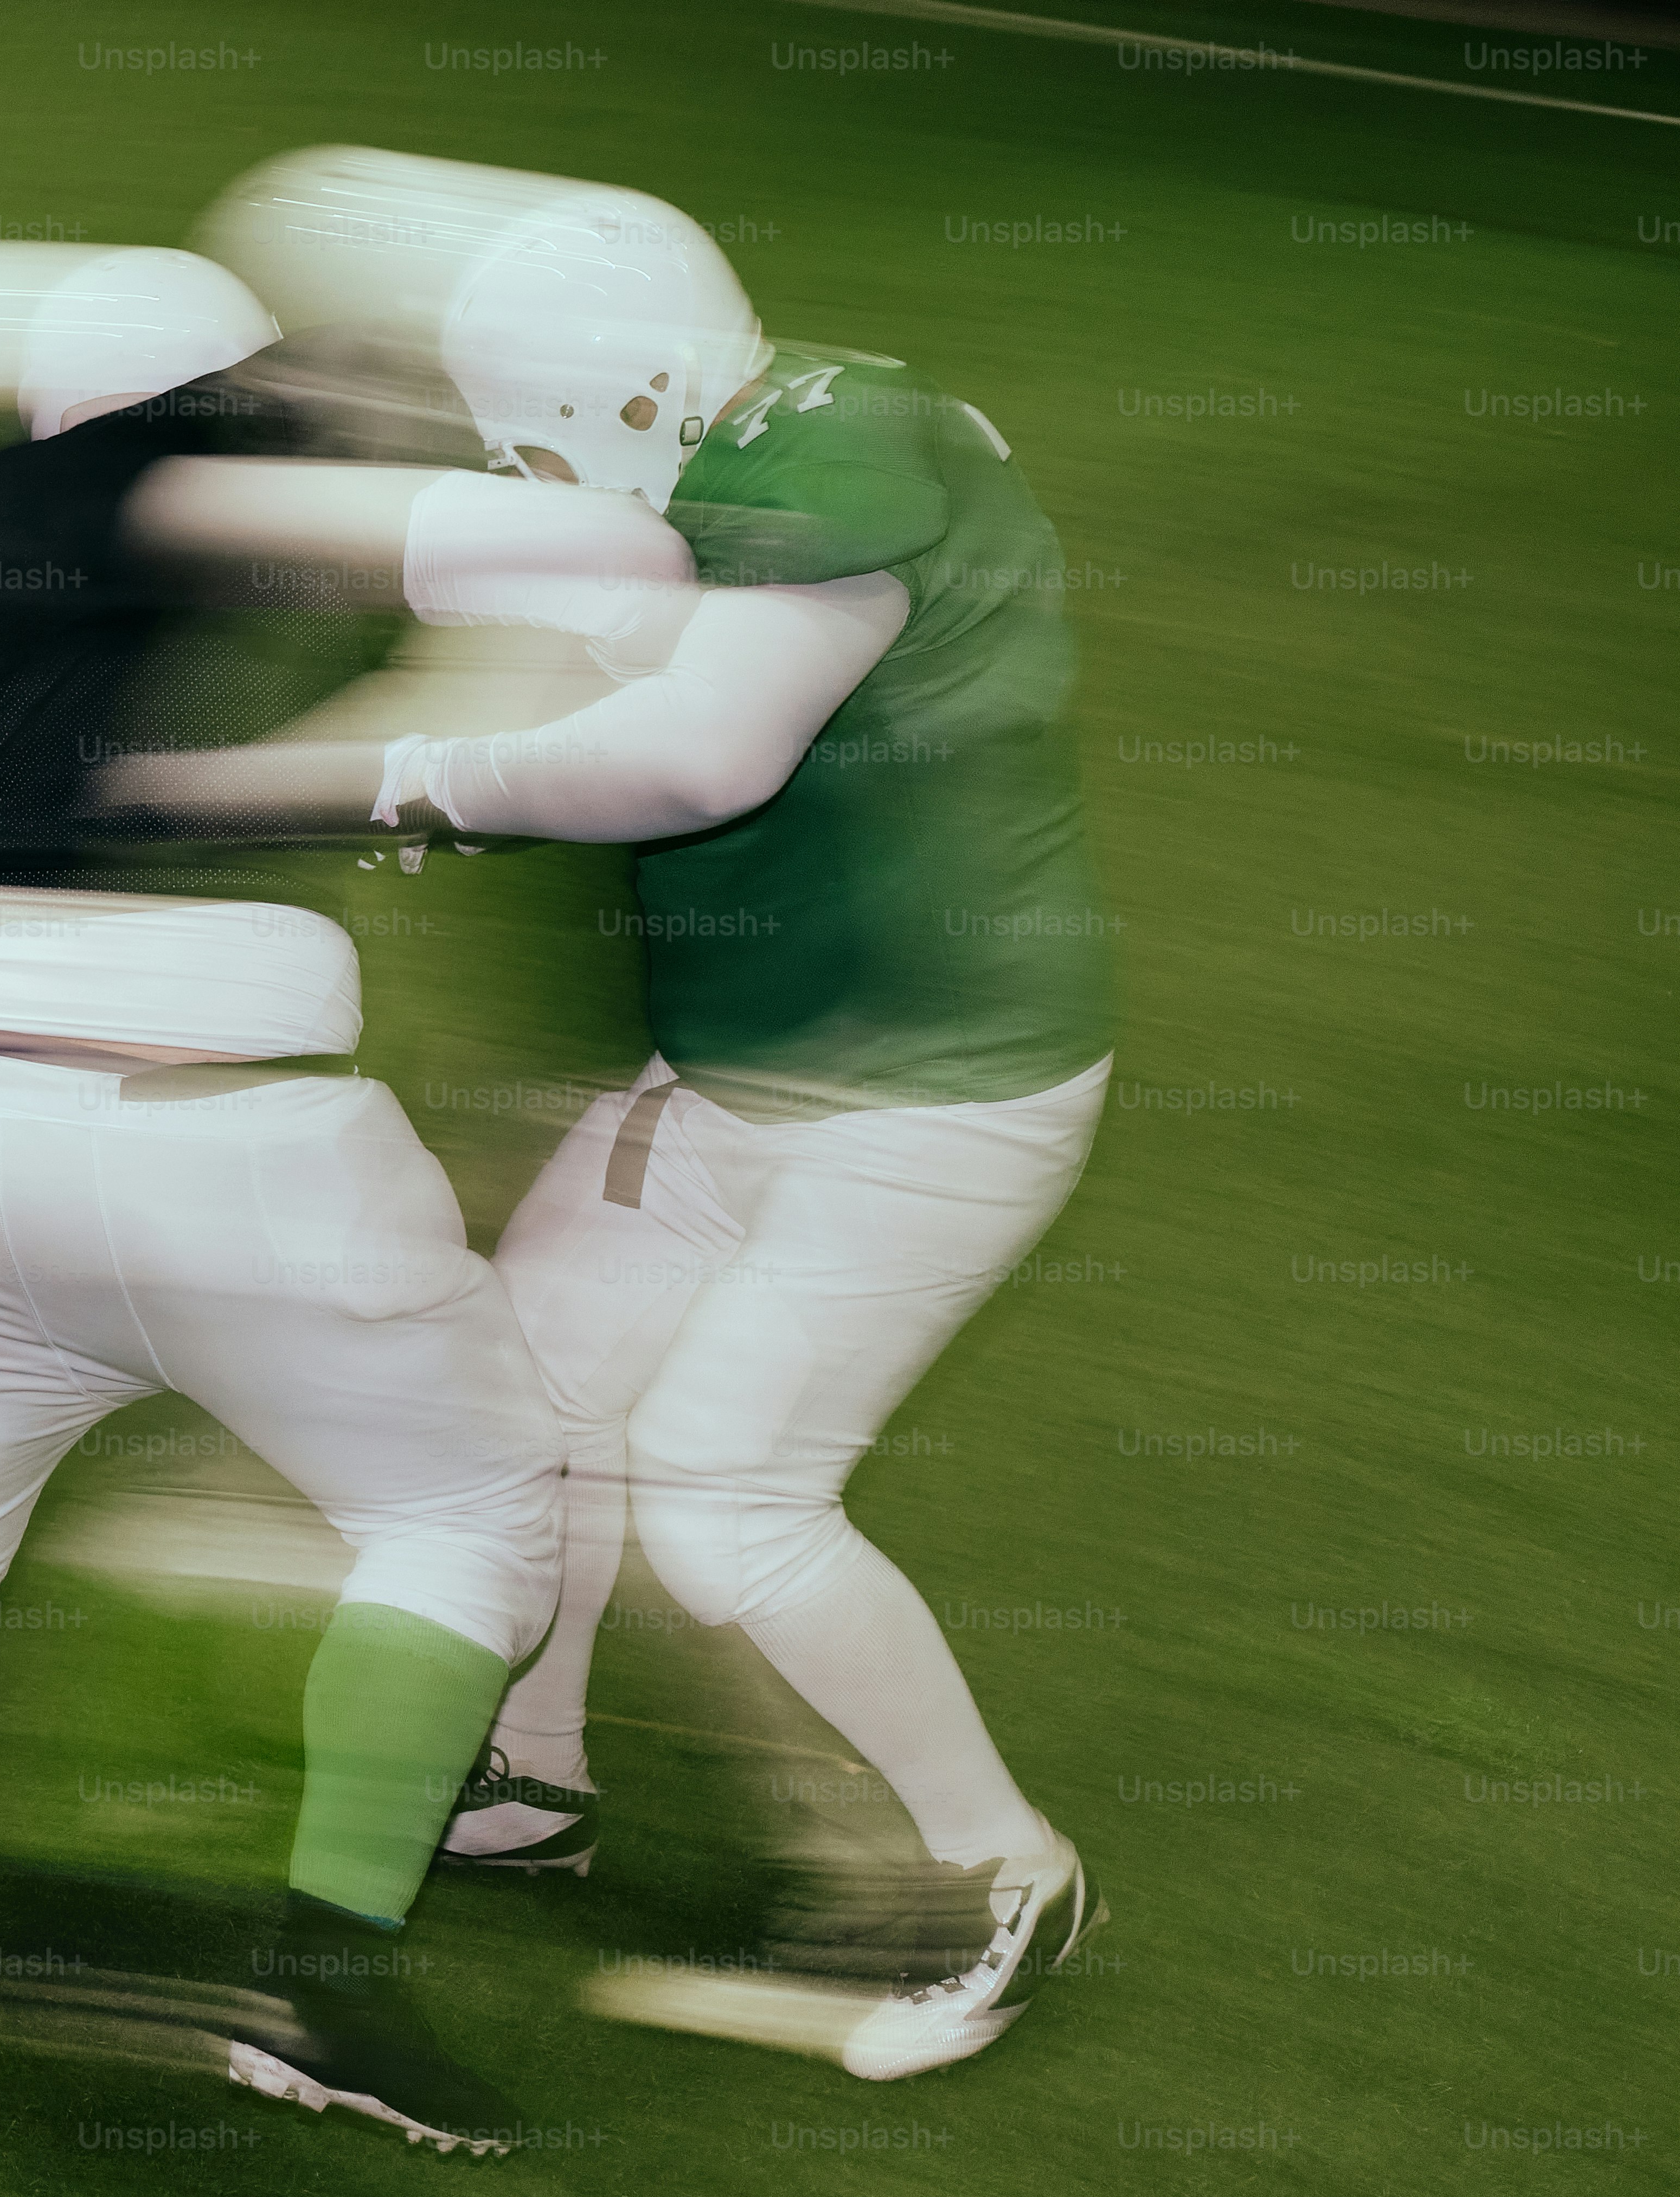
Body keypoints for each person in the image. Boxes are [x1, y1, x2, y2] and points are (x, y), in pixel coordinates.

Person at [0, 281, 693, 2179]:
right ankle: (325, 1981)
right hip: (237, 1141)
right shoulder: (221, 476)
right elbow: (581, 546)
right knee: (467, 1511)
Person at [97, 187, 1118, 2081]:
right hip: (737, 1070)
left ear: (631, 397)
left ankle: (997, 1864)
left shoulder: (833, 461)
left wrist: (388, 775)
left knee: (724, 1494)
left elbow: (692, 756)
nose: (531, 474)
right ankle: (528, 1775)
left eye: (540, 435)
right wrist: (349, 760)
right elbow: (555, 660)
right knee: (517, 1398)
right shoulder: (767, 442)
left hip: (934, 1097)